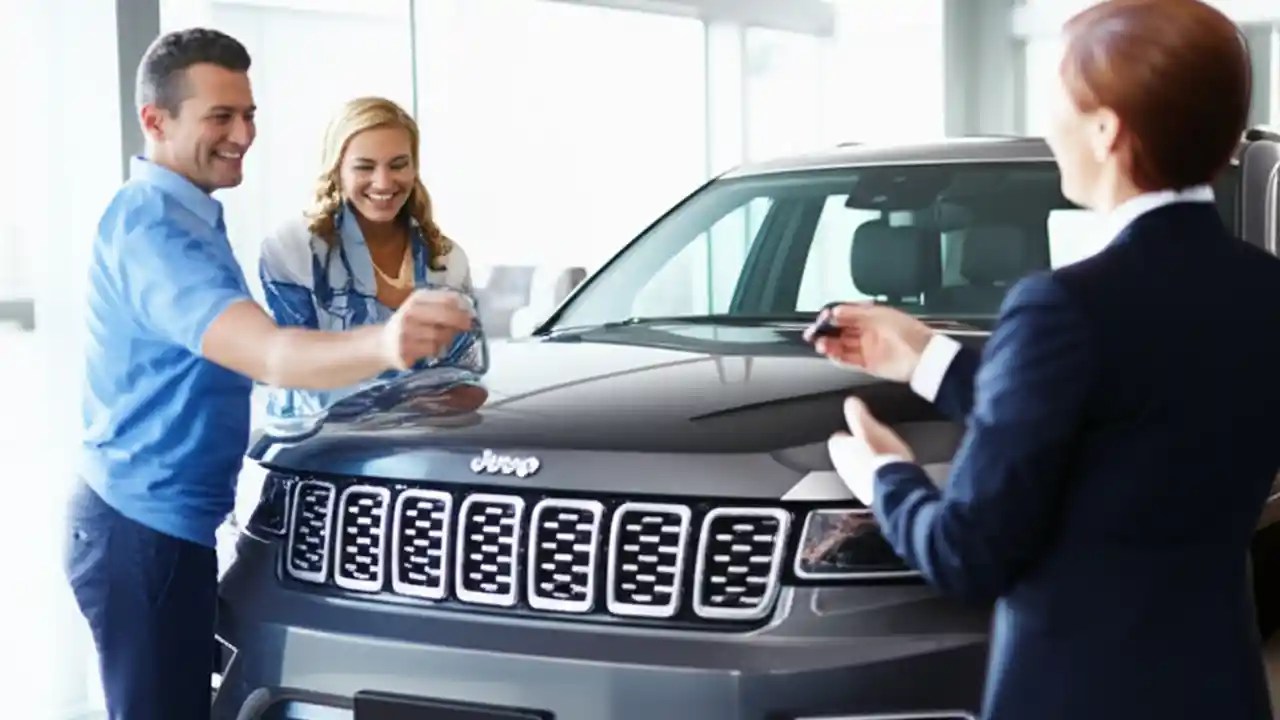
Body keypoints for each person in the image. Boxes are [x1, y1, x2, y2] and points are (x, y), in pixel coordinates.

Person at [810, 1, 1280, 718]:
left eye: (1057, 99)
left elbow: (966, 555)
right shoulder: (1264, 289)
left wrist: (882, 475)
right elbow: (1125, 425)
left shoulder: (1065, 306)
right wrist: (927, 359)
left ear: (1105, 129)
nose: (1049, 125)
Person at [63, 29, 473, 720]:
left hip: (167, 524)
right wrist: (391, 341)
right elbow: (270, 355)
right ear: (155, 120)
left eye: (248, 114)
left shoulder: (189, 215)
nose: (243, 135)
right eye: (220, 116)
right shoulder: (154, 231)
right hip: (140, 529)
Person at [257, 96, 485, 420]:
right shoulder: (293, 250)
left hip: (424, 438)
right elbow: (289, 368)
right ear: (337, 170)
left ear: (414, 167)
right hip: (321, 439)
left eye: (398, 165)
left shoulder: (447, 261)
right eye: (364, 167)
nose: (383, 182)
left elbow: (466, 374)